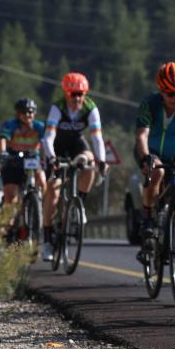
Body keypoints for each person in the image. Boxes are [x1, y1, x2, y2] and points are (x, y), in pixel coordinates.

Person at [42, 72, 107, 261]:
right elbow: (48, 137)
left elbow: (97, 138)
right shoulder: (57, 108)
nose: (78, 98)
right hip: (57, 148)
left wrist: (102, 161)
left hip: (77, 144)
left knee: (89, 161)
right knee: (53, 191)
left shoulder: (90, 107)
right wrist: (52, 158)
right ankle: (47, 239)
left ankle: (80, 205)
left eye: (81, 94)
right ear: (66, 93)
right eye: (74, 94)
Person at [134, 62, 175, 264]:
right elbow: (142, 135)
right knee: (157, 173)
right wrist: (146, 157)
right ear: (161, 91)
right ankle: (148, 216)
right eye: (171, 94)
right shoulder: (150, 102)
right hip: (152, 152)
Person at [0, 97, 47, 231]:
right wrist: (2, 153)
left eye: (30, 112)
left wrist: (48, 156)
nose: (27, 115)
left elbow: (47, 142)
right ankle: (8, 227)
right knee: (11, 196)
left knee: (42, 179)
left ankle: (40, 207)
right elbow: (3, 138)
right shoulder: (10, 124)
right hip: (13, 161)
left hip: (32, 160)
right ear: (18, 114)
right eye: (24, 112)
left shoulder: (39, 127)